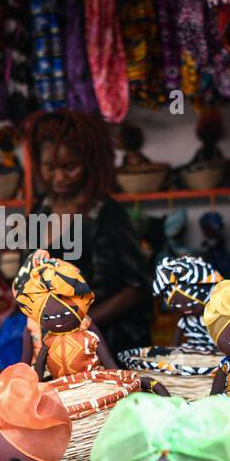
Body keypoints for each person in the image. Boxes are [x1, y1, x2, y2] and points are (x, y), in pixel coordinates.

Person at [23, 110, 151, 356]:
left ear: (89, 164)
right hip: (53, 345)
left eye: (69, 167)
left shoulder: (108, 214)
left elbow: (136, 288)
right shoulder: (40, 210)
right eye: (49, 166)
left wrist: (80, 325)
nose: (58, 177)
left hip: (108, 343)